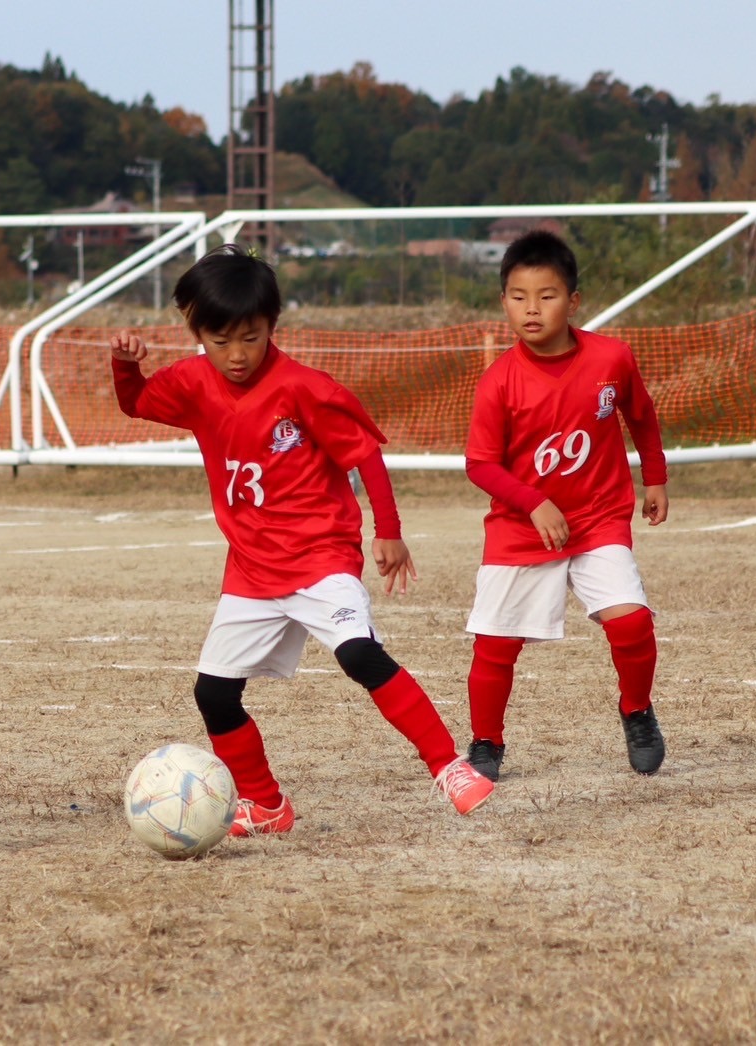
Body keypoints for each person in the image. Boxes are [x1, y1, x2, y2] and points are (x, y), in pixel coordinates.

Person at [109, 244, 494, 835]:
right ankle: (266, 805)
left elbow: (364, 453)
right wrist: (126, 365)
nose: (237, 356)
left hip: (321, 556)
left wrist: (387, 532)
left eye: (251, 337)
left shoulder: (303, 388)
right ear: (195, 332)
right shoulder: (192, 382)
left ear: (273, 326)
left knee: (360, 654)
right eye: (221, 341)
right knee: (213, 695)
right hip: (252, 570)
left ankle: (448, 767)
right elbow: (135, 402)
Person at [461, 230, 669, 782]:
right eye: (518, 296)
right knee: (496, 645)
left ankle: (637, 711)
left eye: (547, 295)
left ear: (573, 301)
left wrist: (656, 477)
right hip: (520, 528)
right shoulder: (498, 382)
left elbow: (641, 416)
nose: (532, 308)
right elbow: (480, 465)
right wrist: (533, 503)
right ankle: (486, 742)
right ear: (503, 301)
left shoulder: (611, 358)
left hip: (599, 518)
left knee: (632, 623)